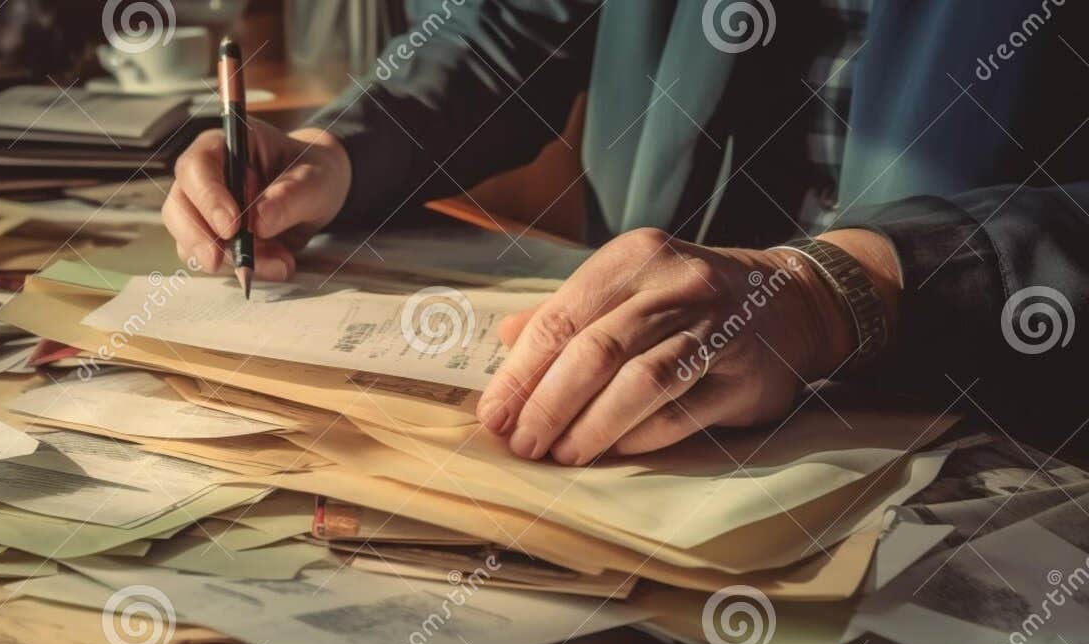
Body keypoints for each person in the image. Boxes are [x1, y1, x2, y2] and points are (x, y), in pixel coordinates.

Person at [163, 0, 1089, 462]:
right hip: (652, 435)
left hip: (1003, 431)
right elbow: (516, 26)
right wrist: (340, 151)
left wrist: (832, 291)